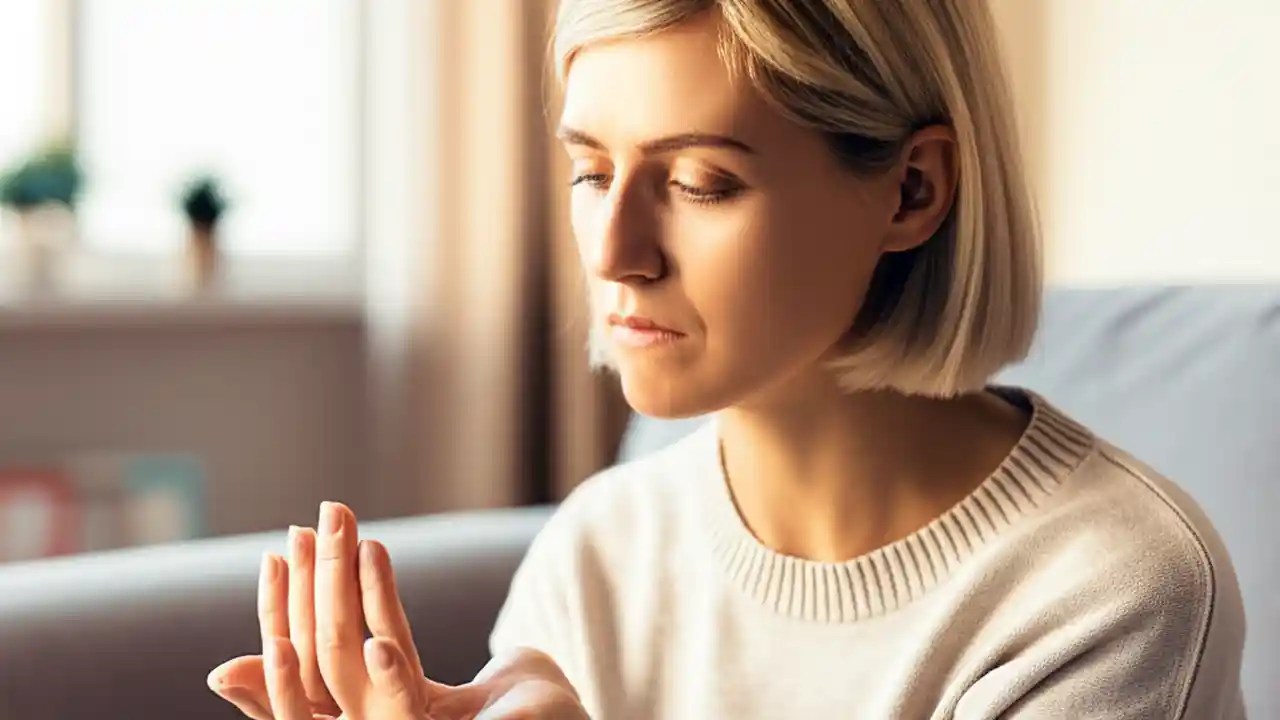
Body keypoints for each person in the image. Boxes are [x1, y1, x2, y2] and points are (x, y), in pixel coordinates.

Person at [207, 1, 1248, 717]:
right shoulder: (601, 551)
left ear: (911, 191)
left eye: (700, 182)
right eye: (588, 171)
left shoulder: (1109, 594)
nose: (615, 252)